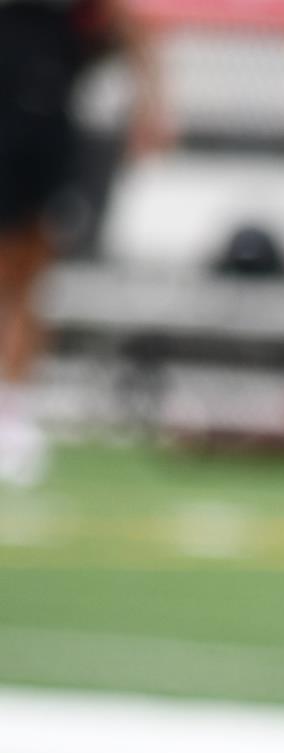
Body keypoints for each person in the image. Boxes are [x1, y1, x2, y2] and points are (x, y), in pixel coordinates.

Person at [0, 0, 171, 488]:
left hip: (43, 136)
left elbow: (135, 31)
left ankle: (12, 418)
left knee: (27, 278)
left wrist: (151, 107)